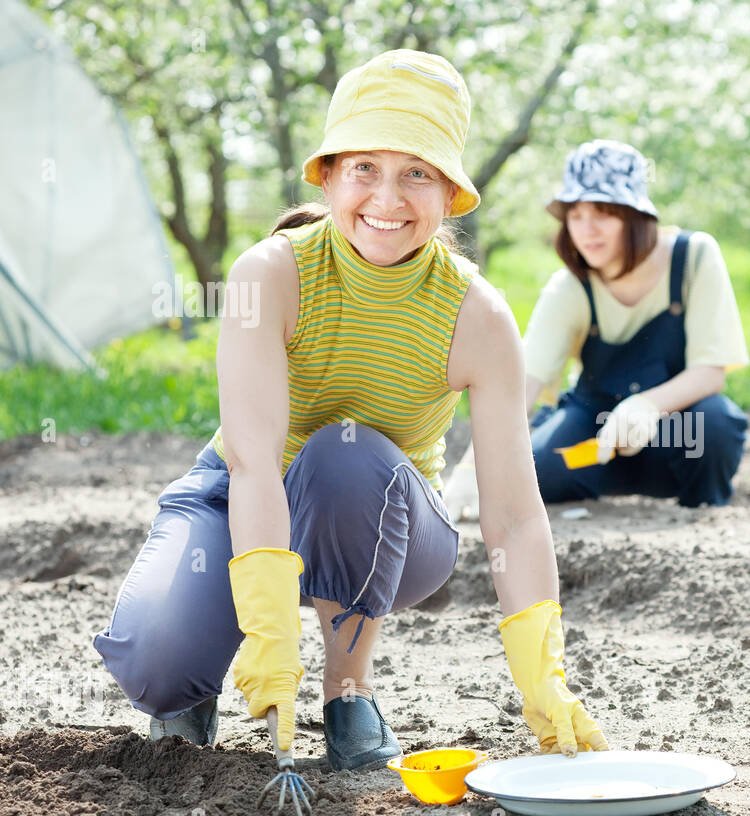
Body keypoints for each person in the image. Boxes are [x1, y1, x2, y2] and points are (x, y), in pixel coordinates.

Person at [91, 50, 607, 773]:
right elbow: (251, 457)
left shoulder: (478, 316)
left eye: (417, 173)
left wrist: (544, 677)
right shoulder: (268, 274)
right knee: (156, 663)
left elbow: (516, 518)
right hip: (245, 488)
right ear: (328, 175)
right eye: (365, 168)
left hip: (386, 518)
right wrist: (269, 630)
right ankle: (193, 676)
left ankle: (349, 690)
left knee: (346, 450)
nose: (388, 200)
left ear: (452, 194)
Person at [442, 139, 750, 519]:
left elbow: (710, 372)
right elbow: (523, 386)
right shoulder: (570, 287)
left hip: (672, 431)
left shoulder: (693, 258)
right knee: (540, 467)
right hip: (595, 441)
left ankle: (704, 513)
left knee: (714, 426)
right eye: (575, 215)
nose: (587, 230)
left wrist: (646, 405)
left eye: (603, 213)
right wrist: (474, 470)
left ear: (635, 216)